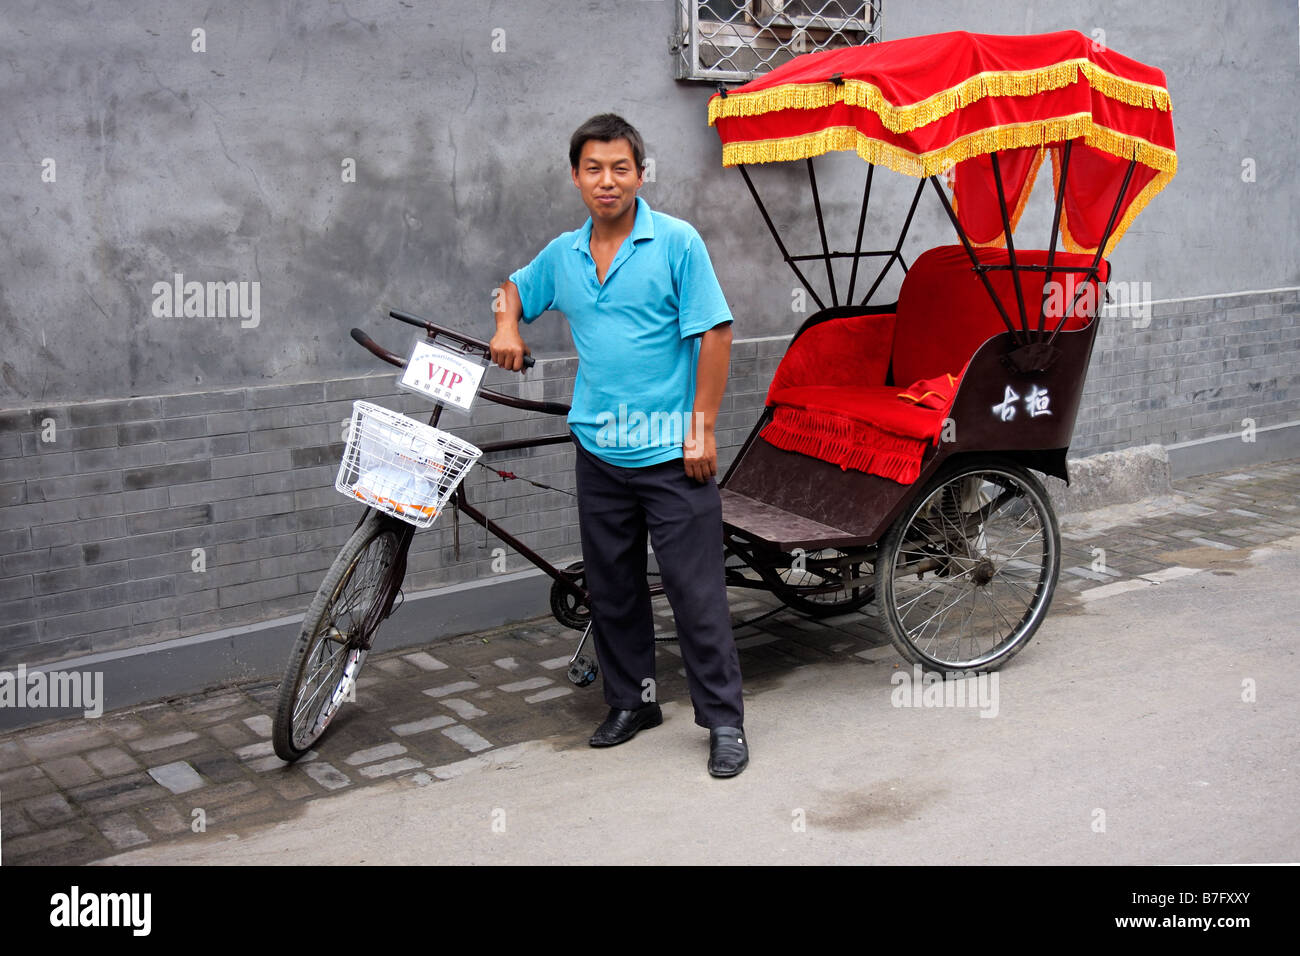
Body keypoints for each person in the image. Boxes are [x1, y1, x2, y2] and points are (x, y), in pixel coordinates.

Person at [489, 113, 748, 778]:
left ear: (639, 173)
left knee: (696, 593)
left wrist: (701, 427)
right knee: (613, 590)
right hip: (600, 450)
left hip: (672, 453)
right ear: (576, 176)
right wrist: (507, 325)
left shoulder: (676, 244)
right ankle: (633, 702)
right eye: (594, 169)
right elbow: (514, 287)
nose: (608, 181)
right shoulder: (565, 255)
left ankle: (724, 721)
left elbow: (715, 333)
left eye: (621, 168)